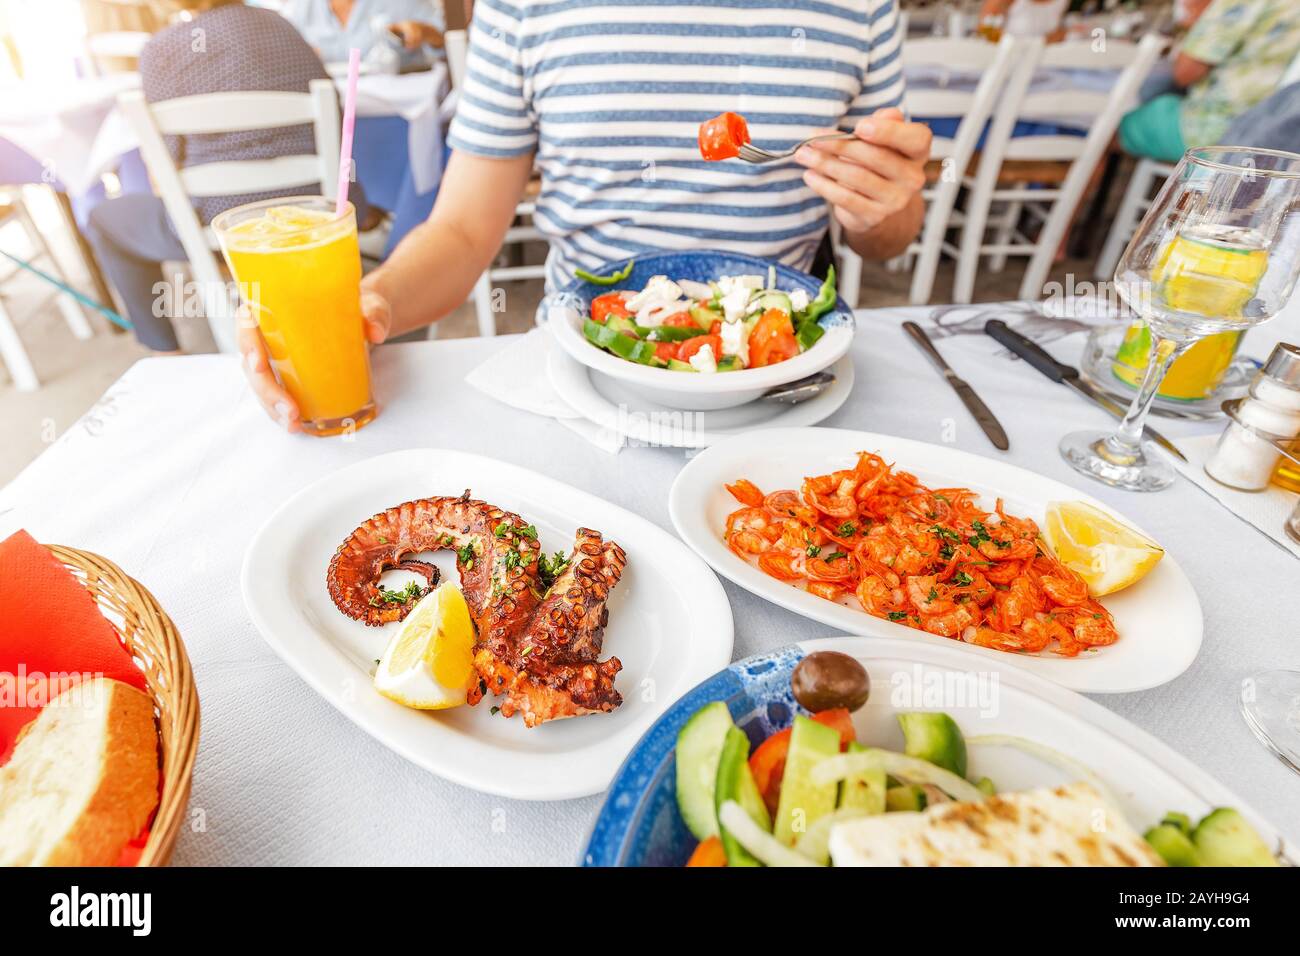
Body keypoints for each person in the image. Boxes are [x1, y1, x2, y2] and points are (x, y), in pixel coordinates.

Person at [240, 0, 932, 430]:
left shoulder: (859, 8)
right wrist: (372, 301)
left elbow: (888, 239)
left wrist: (883, 205)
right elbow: (462, 230)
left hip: (786, 390)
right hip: (584, 386)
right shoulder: (522, 7)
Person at [86, 0, 372, 354]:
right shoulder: (282, 27)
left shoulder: (160, 49)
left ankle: (165, 354)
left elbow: (168, 161)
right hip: (319, 211)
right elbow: (337, 116)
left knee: (104, 219)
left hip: (226, 225)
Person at [1119, 0, 1300, 163]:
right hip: (1269, 131)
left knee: (1111, 125)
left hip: (1219, 131)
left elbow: (1185, 72)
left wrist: (1199, 23)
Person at [283, 0, 444, 72]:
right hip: (329, 117)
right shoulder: (300, 7)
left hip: (396, 118)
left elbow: (447, 42)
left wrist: (424, 31)